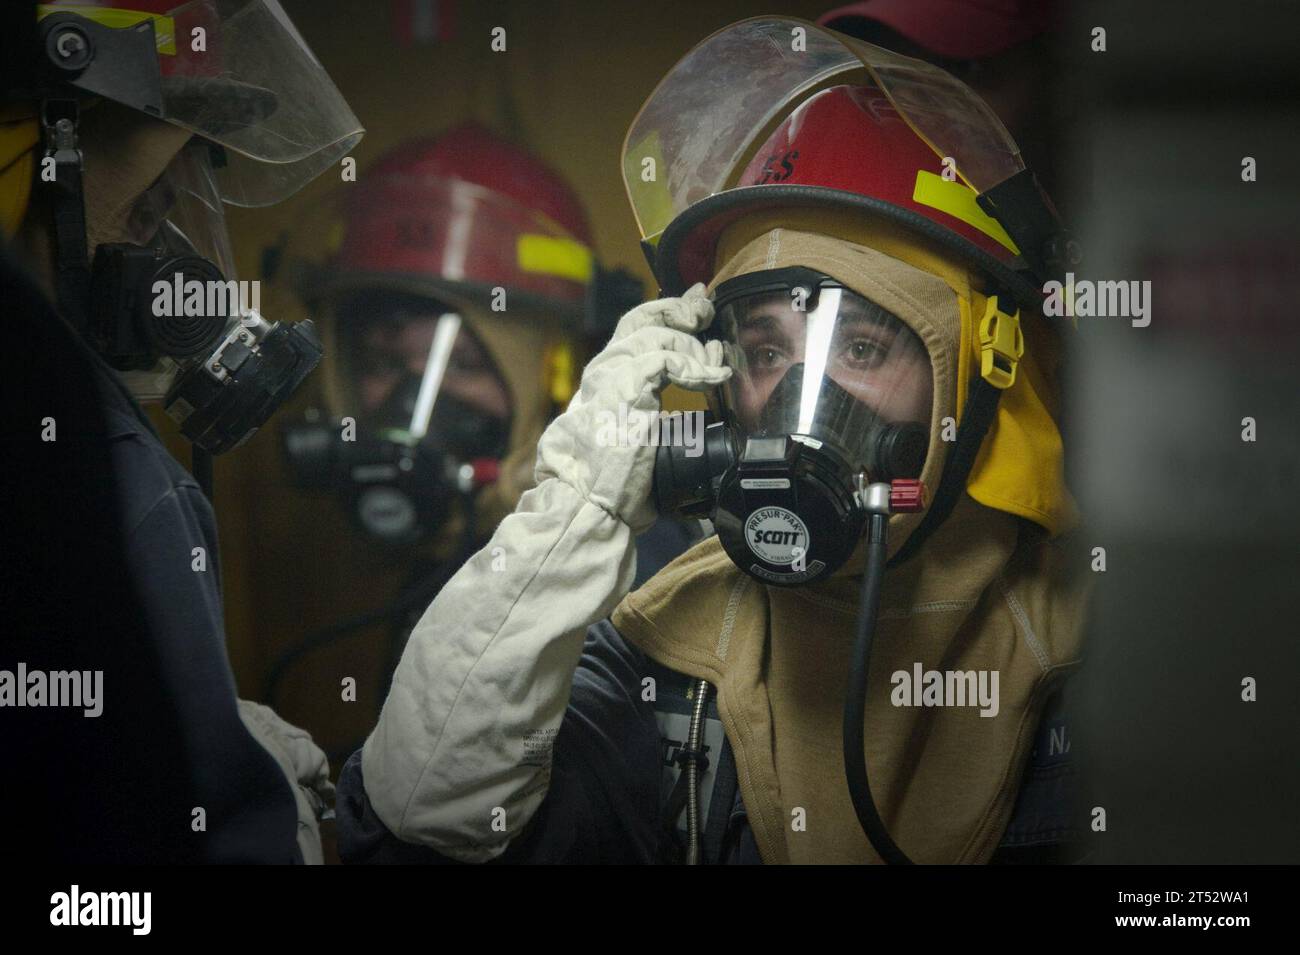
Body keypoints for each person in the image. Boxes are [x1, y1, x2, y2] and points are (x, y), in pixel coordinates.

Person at [336, 17, 1087, 864]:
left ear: (978, 378)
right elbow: (419, 819)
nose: (802, 396)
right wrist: (572, 509)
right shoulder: (670, 642)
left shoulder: (1097, 645)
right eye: (766, 351)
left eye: (863, 347)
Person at [1, 0, 361, 862]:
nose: (168, 212)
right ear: (47, 148)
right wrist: (255, 804)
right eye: (152, 197)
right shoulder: (111, 466)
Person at [269, 128, 695, 726]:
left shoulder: (622, 578)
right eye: (383, 363)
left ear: (558, 373)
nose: (417, 402)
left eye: (464, 363)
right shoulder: (444, 553)